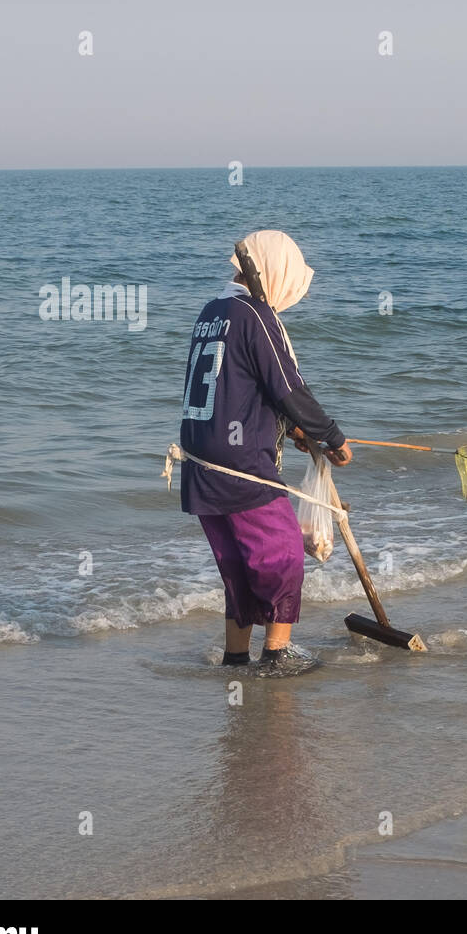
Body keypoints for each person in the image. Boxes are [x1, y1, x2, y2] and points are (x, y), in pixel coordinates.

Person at [179, 230, 353, 665]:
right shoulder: (255, 314)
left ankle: (235, 658)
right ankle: (277, 655)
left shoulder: (212, 310)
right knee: (284, 554)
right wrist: (331, 436)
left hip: (200, 461)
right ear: (276, 270)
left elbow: (239, 384)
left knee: (238, 567)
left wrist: (293, 430)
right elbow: (287, 385)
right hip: (239, 463)